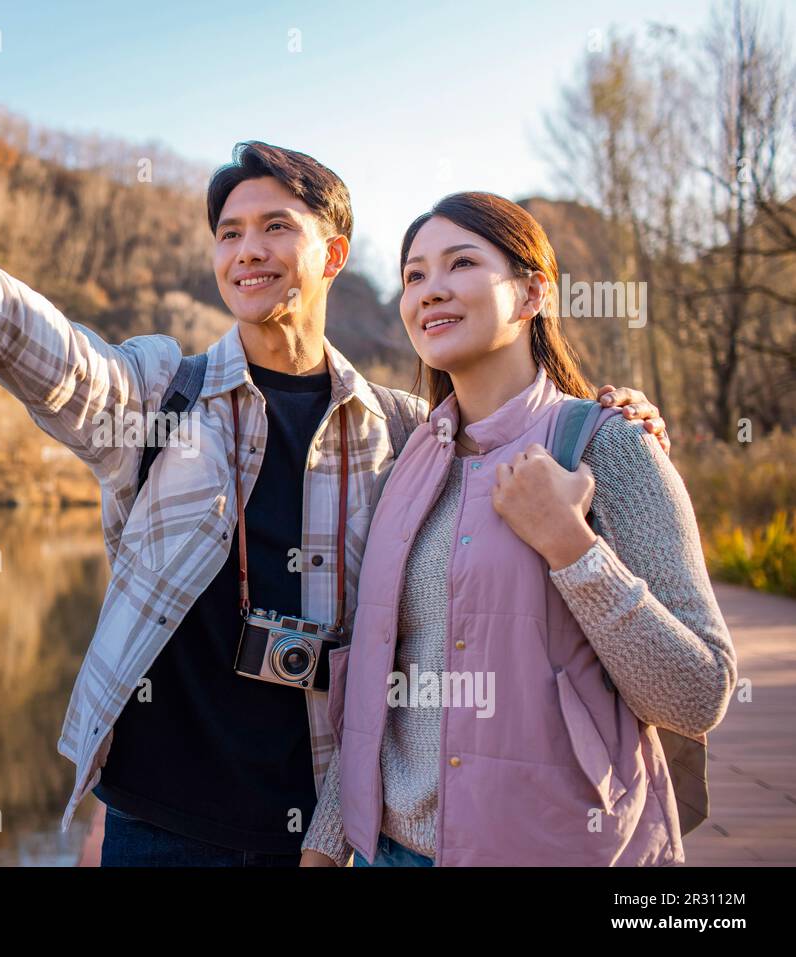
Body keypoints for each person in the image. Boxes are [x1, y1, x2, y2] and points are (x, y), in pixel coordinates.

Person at [0, 146, 667, 867]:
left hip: (317, 822)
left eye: (275, 227)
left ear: (332, 253)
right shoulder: (161, 392)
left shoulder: (403, 432)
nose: (248, 251)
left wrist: (606, 422)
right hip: (155, 820)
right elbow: (64, 366)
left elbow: (504, 429)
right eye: (230, 233)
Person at [299, 193, 735, 867]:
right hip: (397, 852)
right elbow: (383, 685)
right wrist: (328, 842)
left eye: (461, 263)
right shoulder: (409, 464)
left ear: (532, 293)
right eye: (414, 275)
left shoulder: (610, 446)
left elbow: (698, 692)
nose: (431, 289)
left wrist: (571, 546)